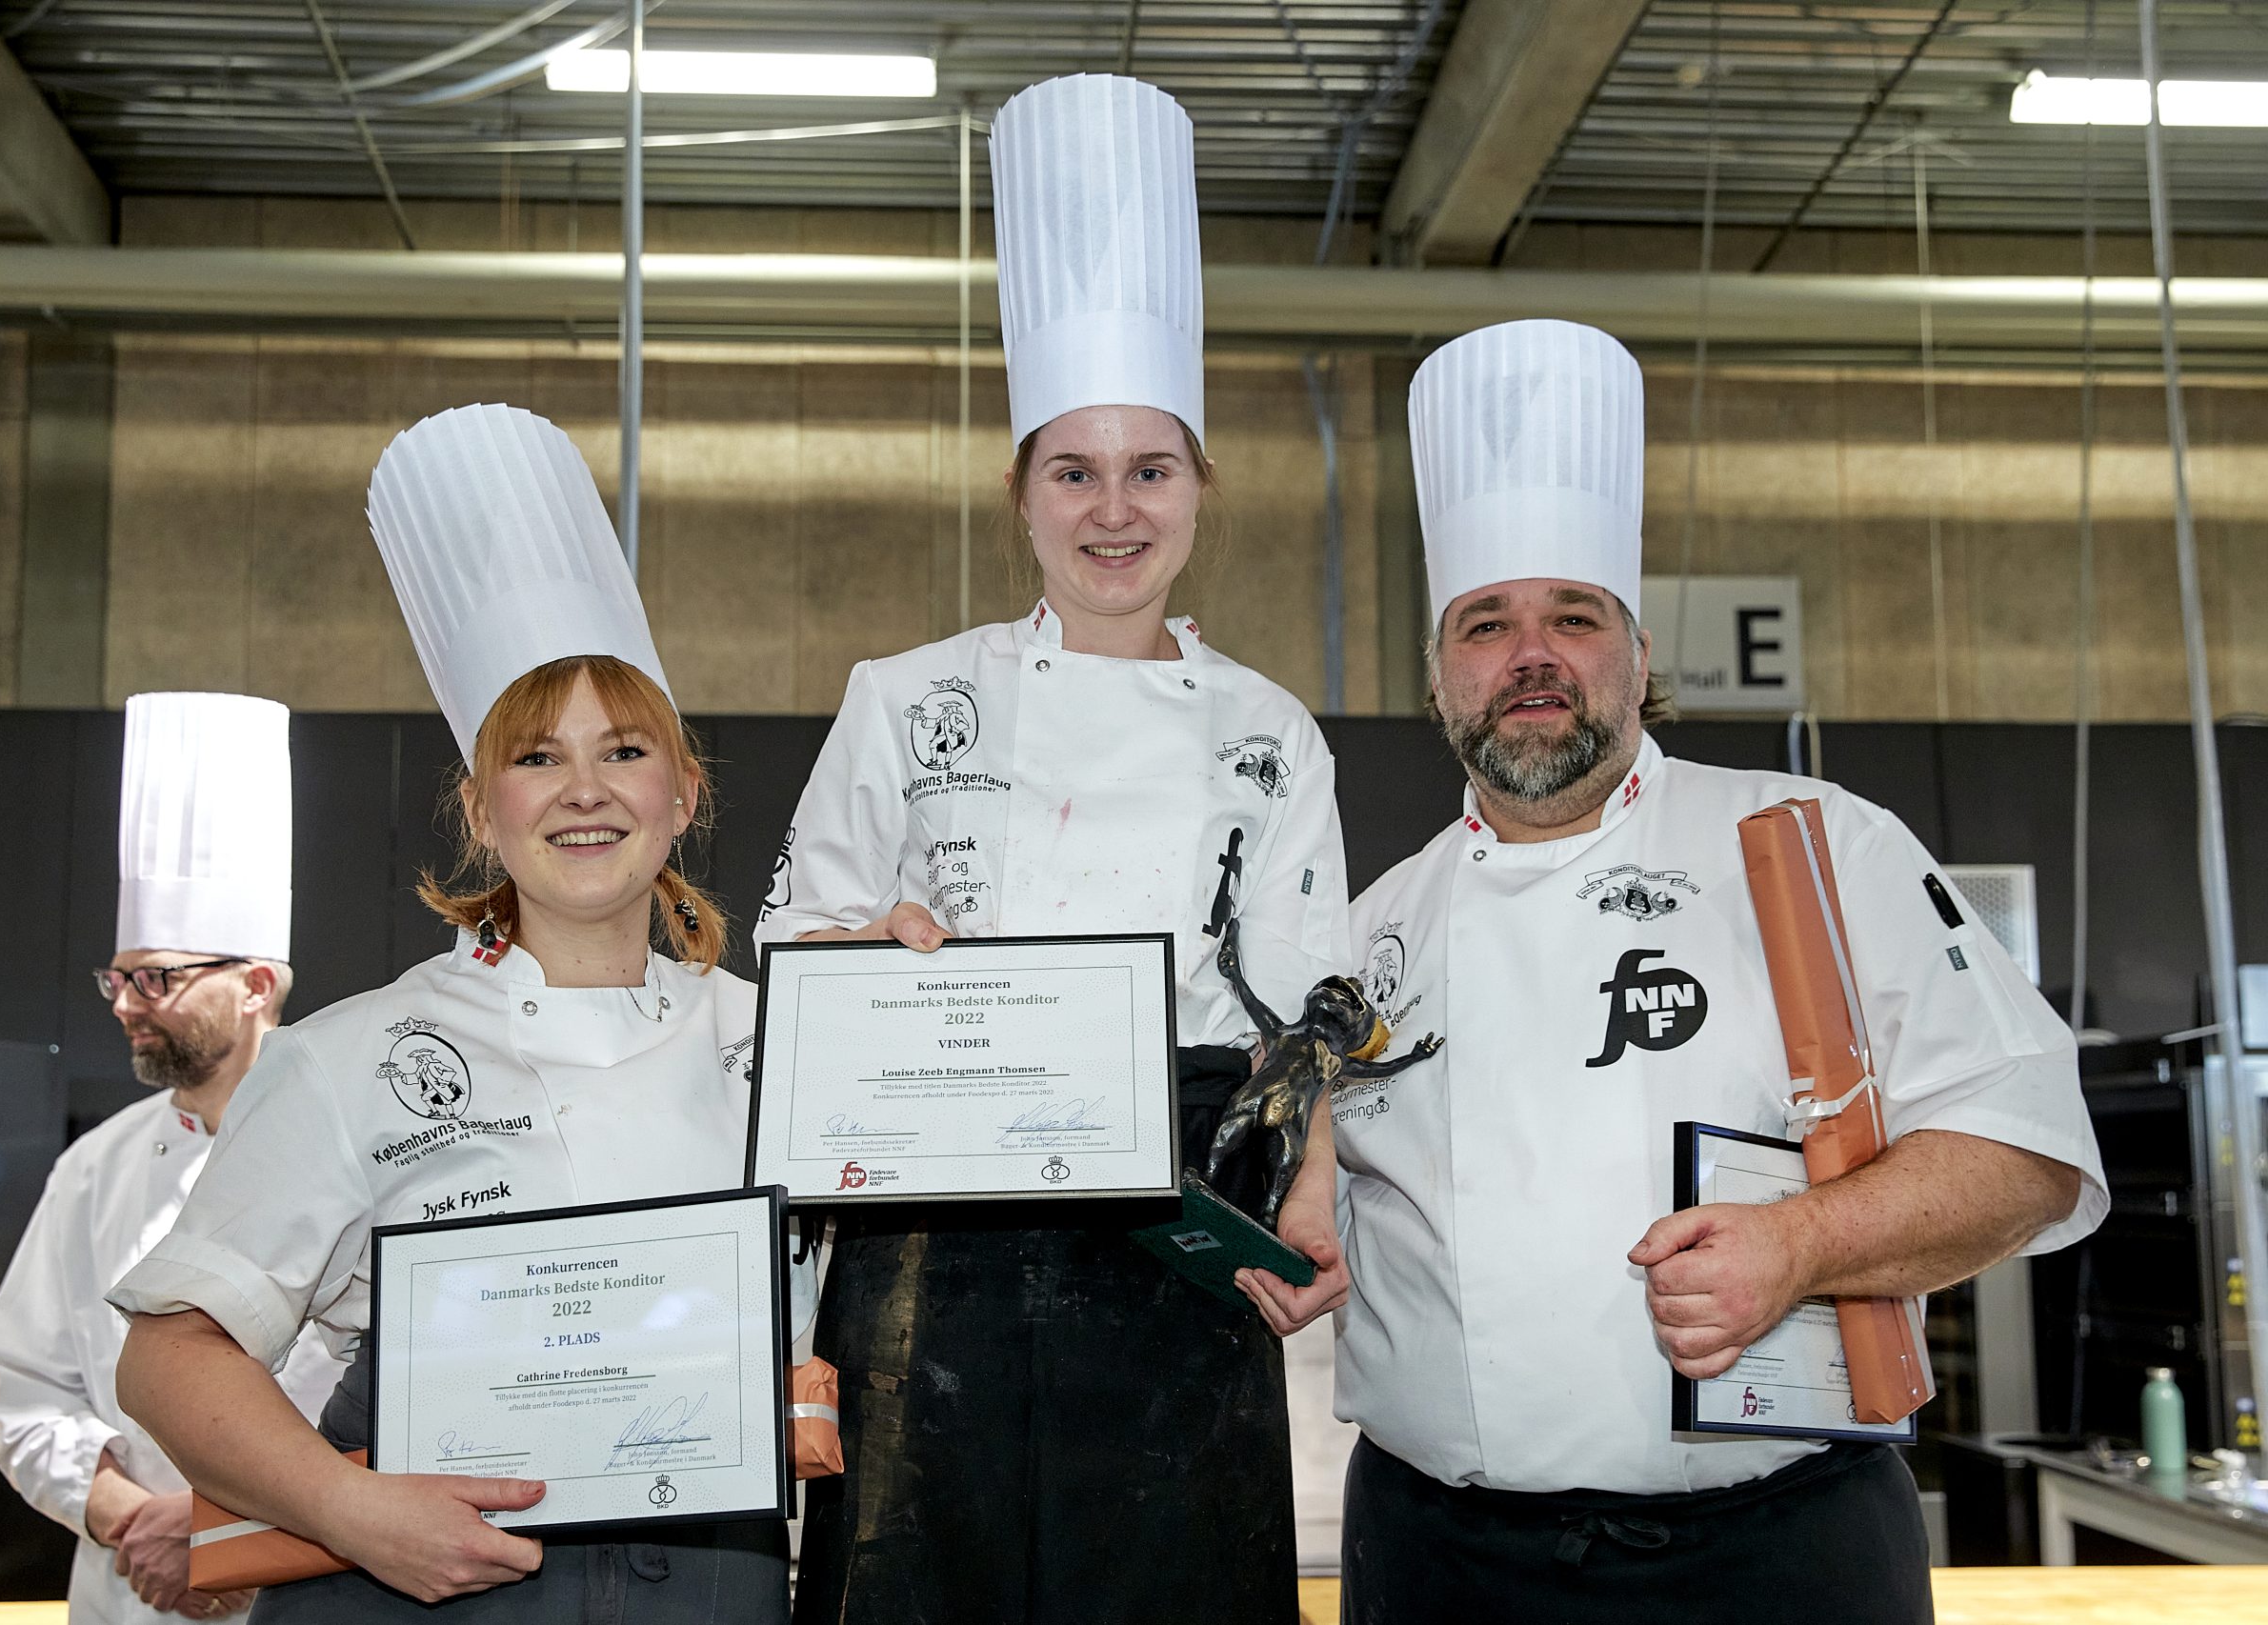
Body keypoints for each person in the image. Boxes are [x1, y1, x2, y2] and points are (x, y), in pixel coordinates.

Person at [1254, 318, 2109, 1623]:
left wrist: (1804, 1242)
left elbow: (2030, 1150)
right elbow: (1336, 1214)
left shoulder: (1813, 843)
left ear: (1640, 658)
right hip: (1440, 1562)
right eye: (1487, 623)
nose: (1530, 653)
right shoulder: (1372, 934)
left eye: (1574, 616)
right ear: (1438, 673)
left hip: (1774, 1555)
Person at [765, 72, 1348, 1625]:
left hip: (1173, 1228)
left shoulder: (1272, 729)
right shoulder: (908, 698)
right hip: (924, 1240)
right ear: (1020, 492)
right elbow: (791, 956)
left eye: (1148, 470)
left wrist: (1315, 1193)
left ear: (1200, 488)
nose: (1112, 511)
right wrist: (861, 957)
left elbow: (1310, 1007)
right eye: (1072, 472)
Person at [108, 404, 790, 1622]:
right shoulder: (352, 1054)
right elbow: (168, 1354)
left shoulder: (784, 1043)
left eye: (624, 749)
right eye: (534, 758)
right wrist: (350, 1507)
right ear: (481, 808)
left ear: (683, 794)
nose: (582, 790)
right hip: (414, 1576)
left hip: (707, 1573)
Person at [0, 692, 343, 1624]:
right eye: (119, 975)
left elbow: (381, 1401)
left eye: (158, 977)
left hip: (309, 1586)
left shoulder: (358, 1156)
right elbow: (24, 1392)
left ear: (256, 983)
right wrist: (130, 1518)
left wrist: (221, 1525)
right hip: (128, 1594)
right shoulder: (94, 1169)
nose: (124, 1001)